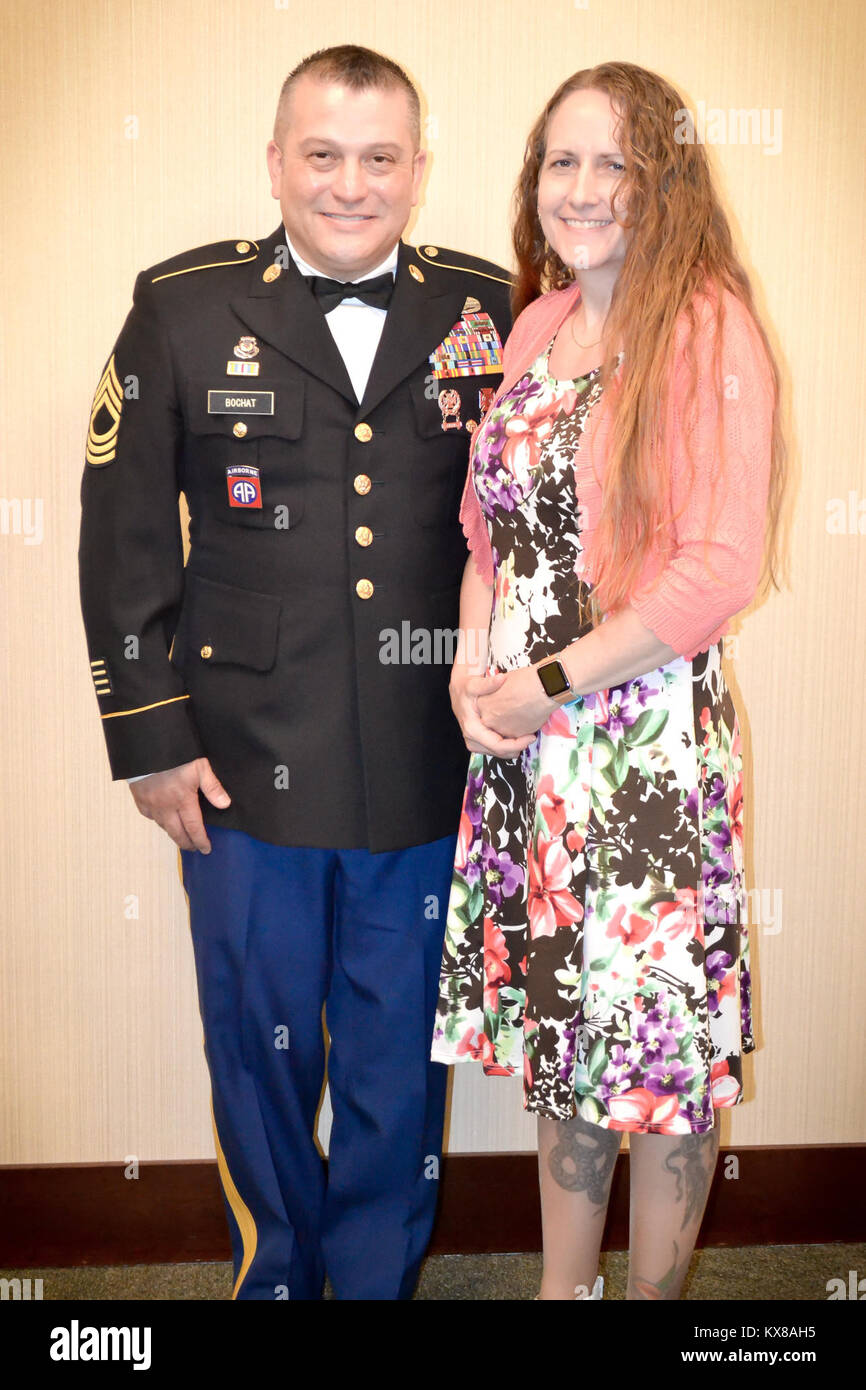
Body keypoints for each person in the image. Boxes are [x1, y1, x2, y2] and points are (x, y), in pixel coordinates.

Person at [78, 44, 512, 1300]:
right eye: (321, 155)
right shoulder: (182, 305)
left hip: (425, 757)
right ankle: (271, 1279)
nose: (349, 184)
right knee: (256, 1053)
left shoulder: (486, 309)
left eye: (380, 158)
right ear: (276, 162)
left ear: (417, 172)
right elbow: (123, 535)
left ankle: (374, 1283)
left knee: (395, 1058)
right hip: (236, 760)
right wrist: (149, 736)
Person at [432, 60, 786, 1300]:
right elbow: (486, 533)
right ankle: (561, 1291)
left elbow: (714, 571)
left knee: (658, 1044)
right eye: (559, 161)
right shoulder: (534, 325)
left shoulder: (703, 324)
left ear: (662, 180)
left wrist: (541, 682)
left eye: (611, 164)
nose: (579, 189)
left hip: (638, 751)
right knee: (563, 1038)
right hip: (533, 752)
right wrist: (477, 663)